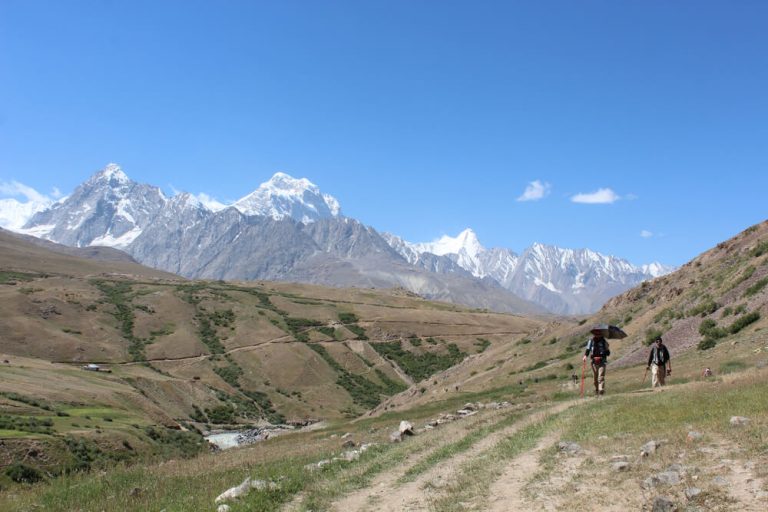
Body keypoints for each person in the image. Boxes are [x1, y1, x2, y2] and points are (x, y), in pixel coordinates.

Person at [583, 331, 610, 395]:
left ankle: (601, 390)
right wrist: (585, 356)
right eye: (596, 334)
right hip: (594, 362)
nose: (597, 335)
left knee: (601, 376)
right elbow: (588, 350)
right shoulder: (591, 341)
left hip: (602, 362)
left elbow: (608, 353)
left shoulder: (604, 342)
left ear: (601, 334)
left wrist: (605, 351)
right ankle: (597, 389)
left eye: (599, 334)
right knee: (595, 379)